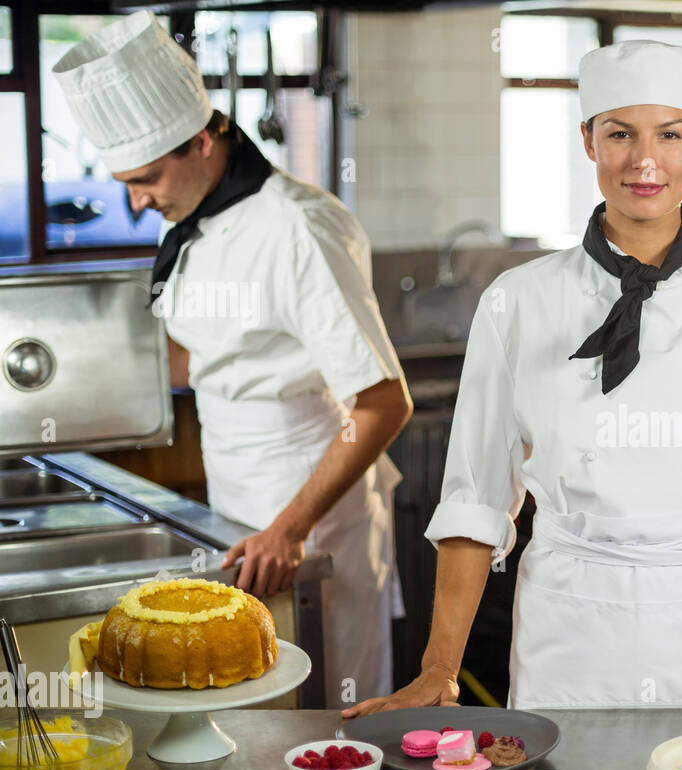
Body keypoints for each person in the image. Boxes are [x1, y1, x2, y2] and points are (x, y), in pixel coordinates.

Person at [345, 39, 682, 715]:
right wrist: (440, 669)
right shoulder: (518, 301)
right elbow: (476, 498)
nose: (645, 160)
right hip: (568, 629)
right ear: (588, 140)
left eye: (669, 134)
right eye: (620, 134)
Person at [55, 12, 413, 702]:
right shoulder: (198, 223)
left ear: (201, 142)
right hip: (239, 511)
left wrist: (290, 527)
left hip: (311, 517)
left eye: (148, 177)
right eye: (126, 180)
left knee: (330, 715)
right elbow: (212, 361)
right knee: (259, 713)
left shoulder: (298, 228)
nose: (136, 200)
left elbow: (382, 401)